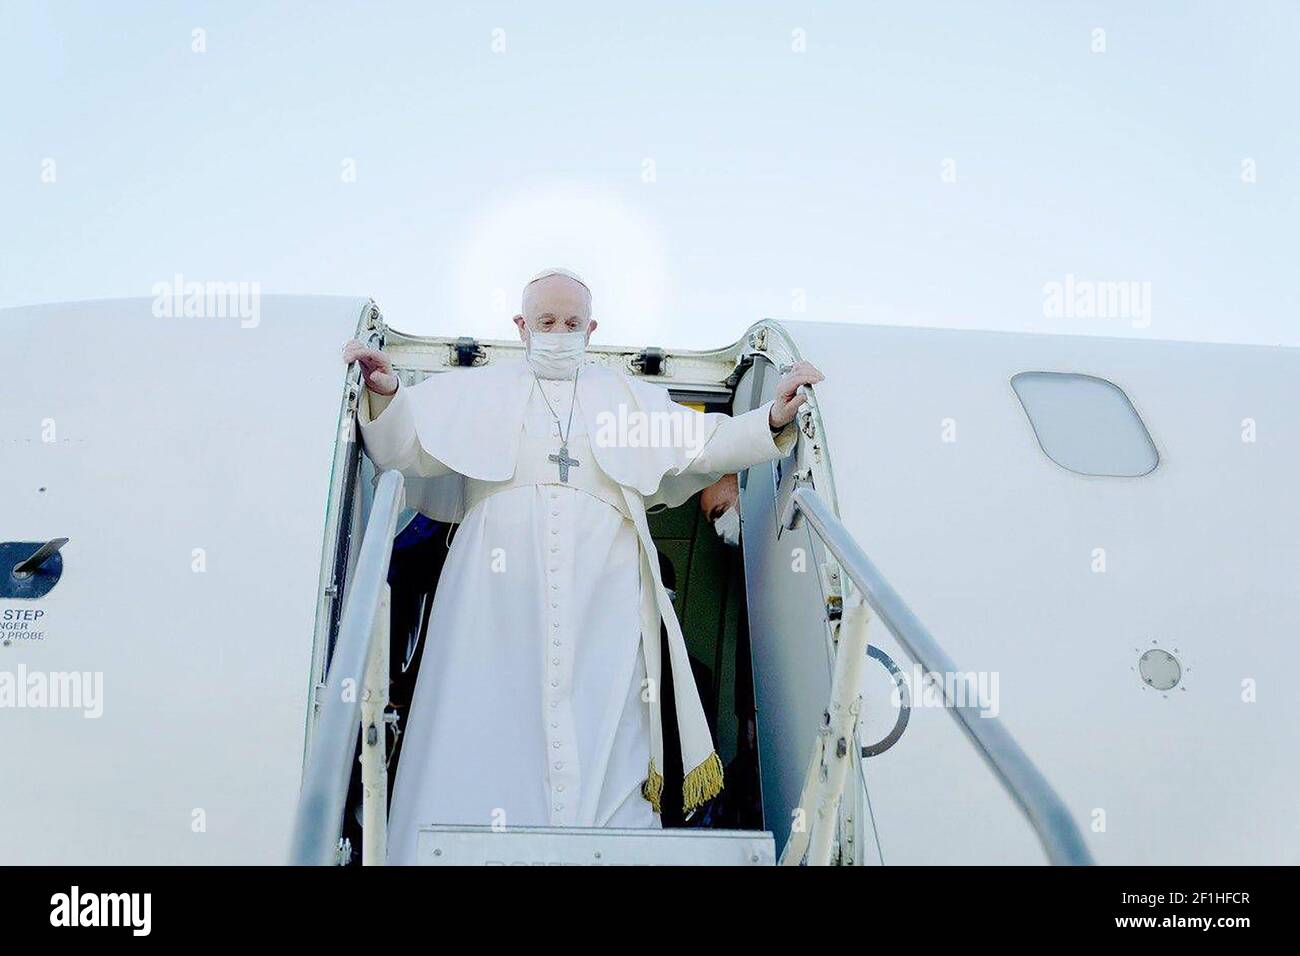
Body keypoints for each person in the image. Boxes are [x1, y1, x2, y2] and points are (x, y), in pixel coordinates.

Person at [342, 267, 824, 862]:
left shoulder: (622, 399)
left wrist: (770, 419)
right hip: (493, 596)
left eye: (572, 323)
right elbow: (403, 447)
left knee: (606, 721)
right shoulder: (479, 391)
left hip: (604, 588)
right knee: (485, 713)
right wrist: (386, 395)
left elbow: (705, 441)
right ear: (521, 326)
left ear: (591, 328)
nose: (559, 332)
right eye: (546, 321)